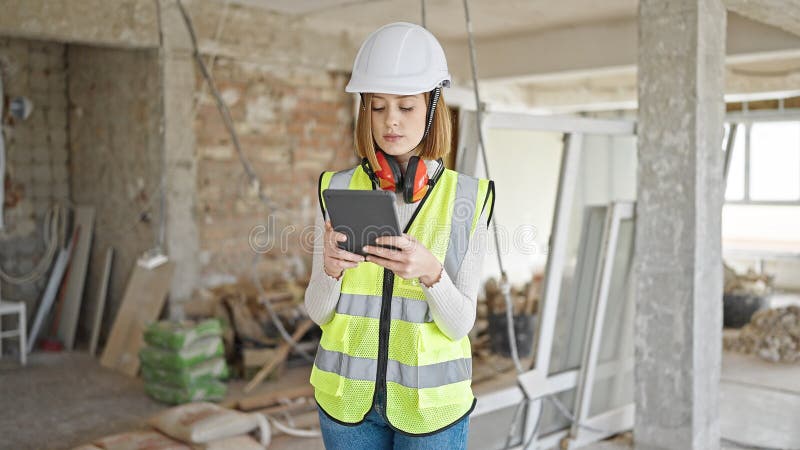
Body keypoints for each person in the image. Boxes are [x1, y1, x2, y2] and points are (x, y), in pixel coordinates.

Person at [304, 21, 495, 450]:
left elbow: (460, 322)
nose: (390, 122)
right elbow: (318, 312)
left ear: (431, 109)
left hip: (431, 412)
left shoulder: (469, 198)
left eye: (406, 107)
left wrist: (431, 274)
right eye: (377, 107)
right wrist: (330, 272)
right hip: (347, 407)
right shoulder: (336, 188)